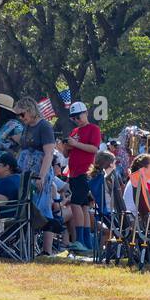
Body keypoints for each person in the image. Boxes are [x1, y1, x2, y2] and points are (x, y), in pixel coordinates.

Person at [15, 97, 59, 255]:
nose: (21, 118)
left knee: (43, 209)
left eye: (22, 114)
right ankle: (30, 246)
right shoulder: (27, 127)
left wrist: (41, 176)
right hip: (26, 173)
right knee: (29, 209)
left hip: (40, 172)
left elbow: (48, 154)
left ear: (30, 109)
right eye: (18, 115)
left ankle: (47, 250)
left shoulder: (44, 126)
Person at [61, 101, 102, 253]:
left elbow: (94, 149)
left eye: (78, 116)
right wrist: (65, 147)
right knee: (83, 206)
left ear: (85, 113)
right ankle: (86, 242)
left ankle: (79, 239)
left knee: (76, 204)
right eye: (73, 118)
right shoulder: (74, 132)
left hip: (85, 171)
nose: (76, 120)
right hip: (74, 172)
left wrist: (75, 144)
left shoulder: (93, 128)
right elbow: (66, 154)